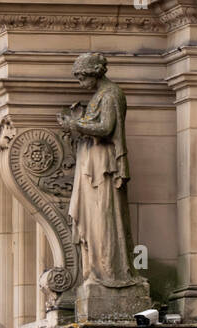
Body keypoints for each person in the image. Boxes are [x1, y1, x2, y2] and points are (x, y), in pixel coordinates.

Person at [57, 51, 140, 291]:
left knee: (103, 217)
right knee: (93, 219)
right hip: (92, 161)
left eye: (82, 78)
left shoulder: (111, 94)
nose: (81, 84)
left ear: (94, 73)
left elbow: (106, 127)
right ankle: (95, 269)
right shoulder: (98, 96)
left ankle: (110, 271)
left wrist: (76, 124)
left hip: (103, 165)